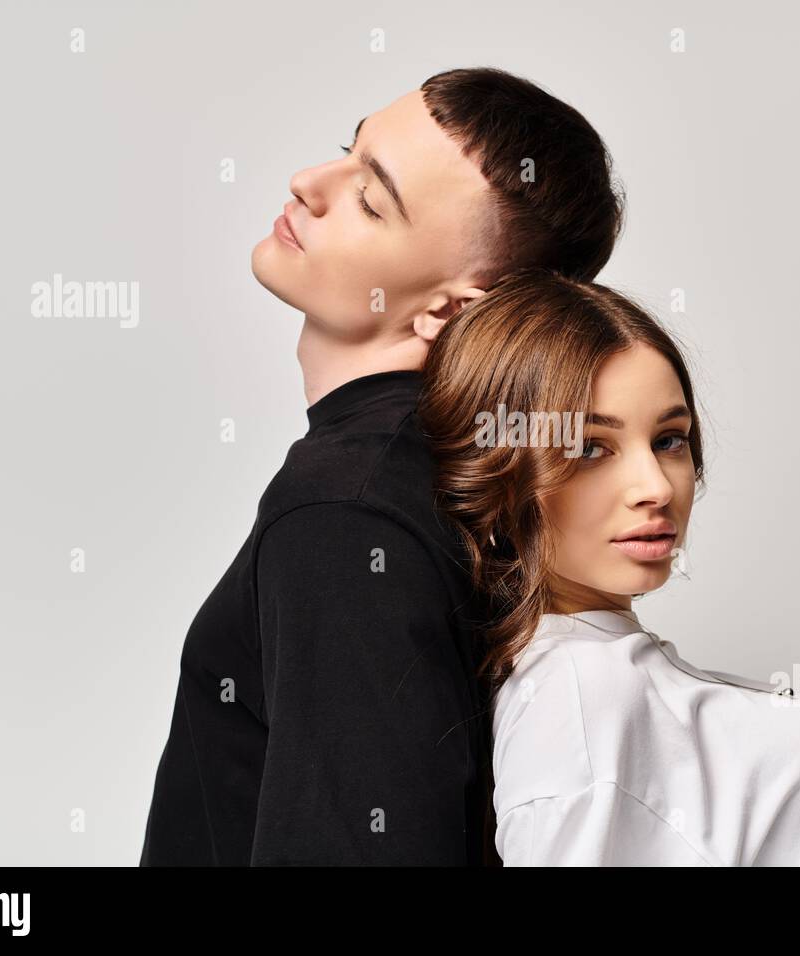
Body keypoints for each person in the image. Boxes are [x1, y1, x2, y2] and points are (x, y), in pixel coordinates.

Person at [139, 67, 626, 865]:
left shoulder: (350, 513)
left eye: (371, 198)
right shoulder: (431, 472)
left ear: (449, 310)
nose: (308, 182)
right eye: (346, 151)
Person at [417, 268, 800, 866]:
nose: (655, 486)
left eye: (669, 440)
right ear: (496, 475)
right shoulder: (583, 693)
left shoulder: (604, 670)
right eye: (589, 448)